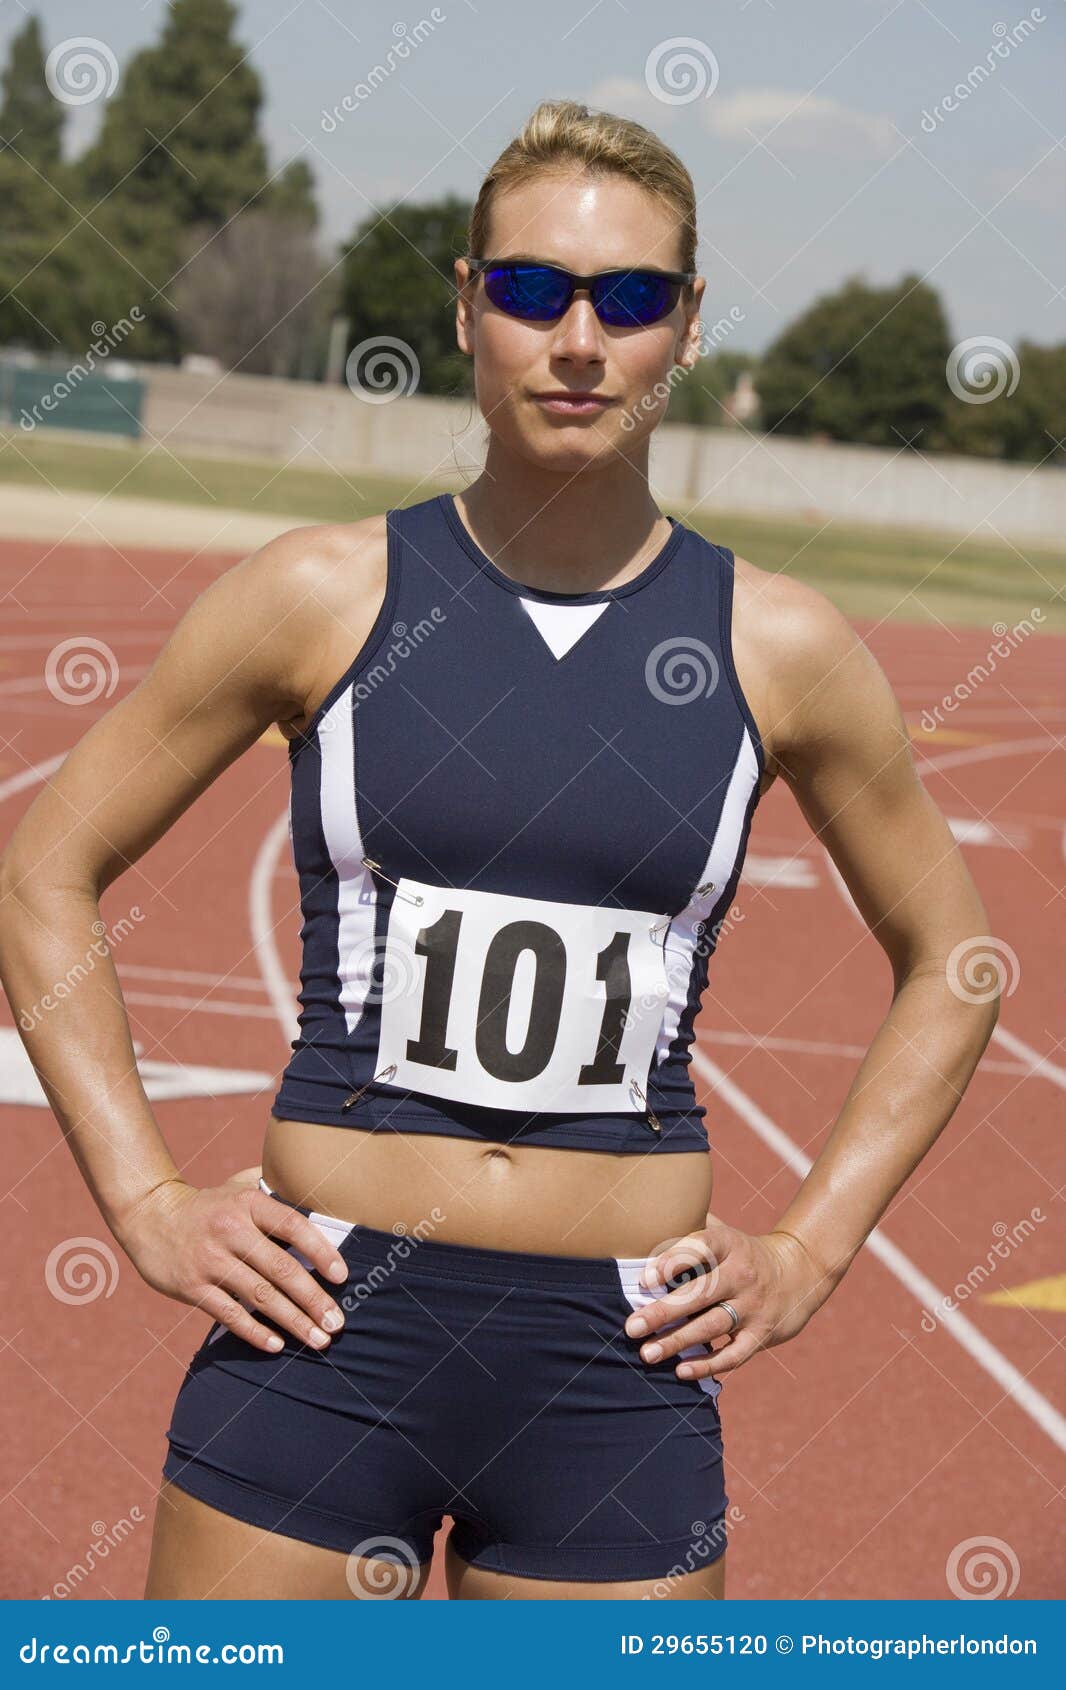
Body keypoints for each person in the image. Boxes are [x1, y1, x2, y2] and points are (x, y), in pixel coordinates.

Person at [0, 100, 998, 1602]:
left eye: (629, 297)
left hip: (612, 1373)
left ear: (686, 325)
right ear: (465, 305)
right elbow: (43, 866)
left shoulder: (777, 644)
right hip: (322, 1339)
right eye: (531, 289)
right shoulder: (318, 596)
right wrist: (143, 1198)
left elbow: (958, 963)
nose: (577, 338)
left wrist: (809, 1248)